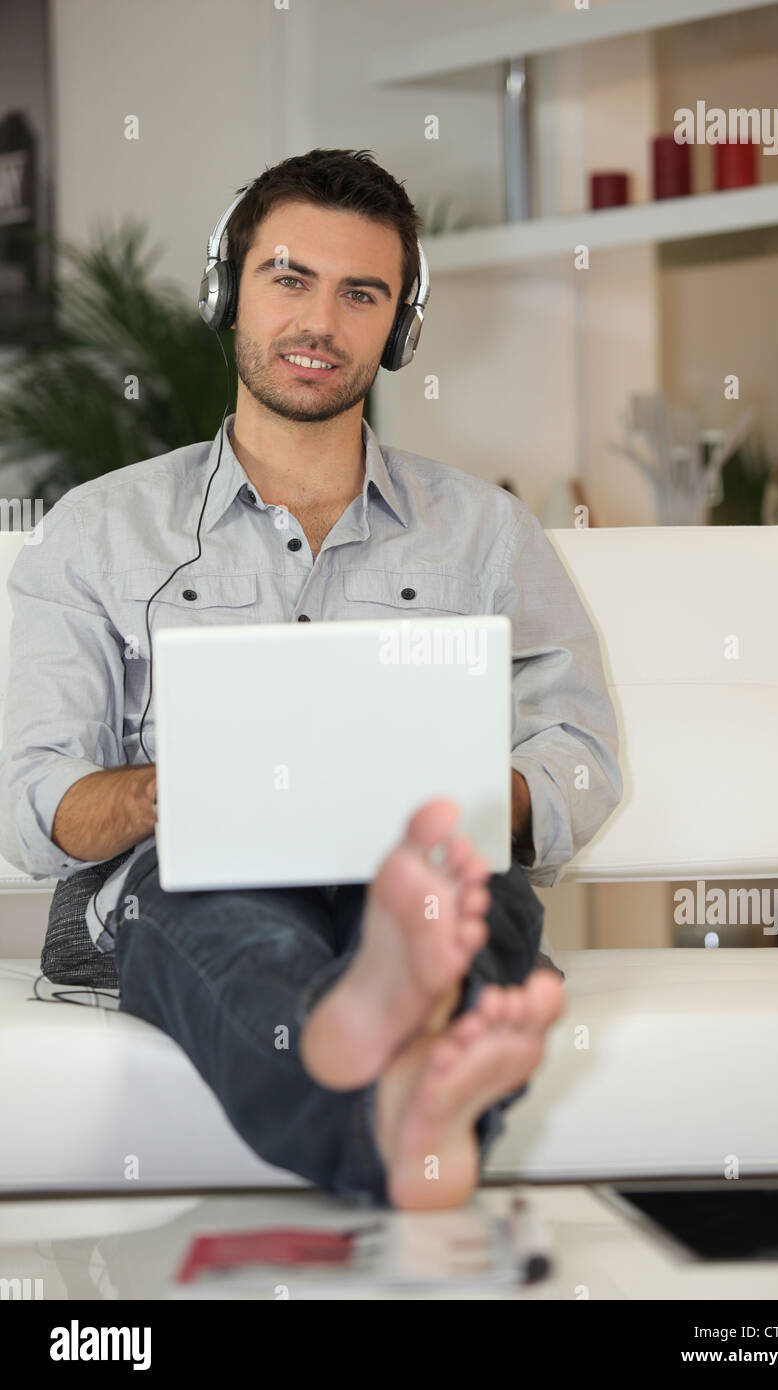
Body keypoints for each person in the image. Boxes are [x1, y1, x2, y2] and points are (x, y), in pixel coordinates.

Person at [0, 149, 622, 1209]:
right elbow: (28, 797)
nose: (319, 322)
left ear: (399, 327)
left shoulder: (482, 531)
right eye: (288, 278)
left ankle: (387, 1071)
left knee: (472, 902)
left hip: (418, 871)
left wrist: (460, 799)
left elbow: (575, 753)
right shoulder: (98, 531)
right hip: (190, 882)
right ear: (227, 292)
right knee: (235, 915)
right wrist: (175, 786)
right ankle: (415, 1113)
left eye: (360, 294)